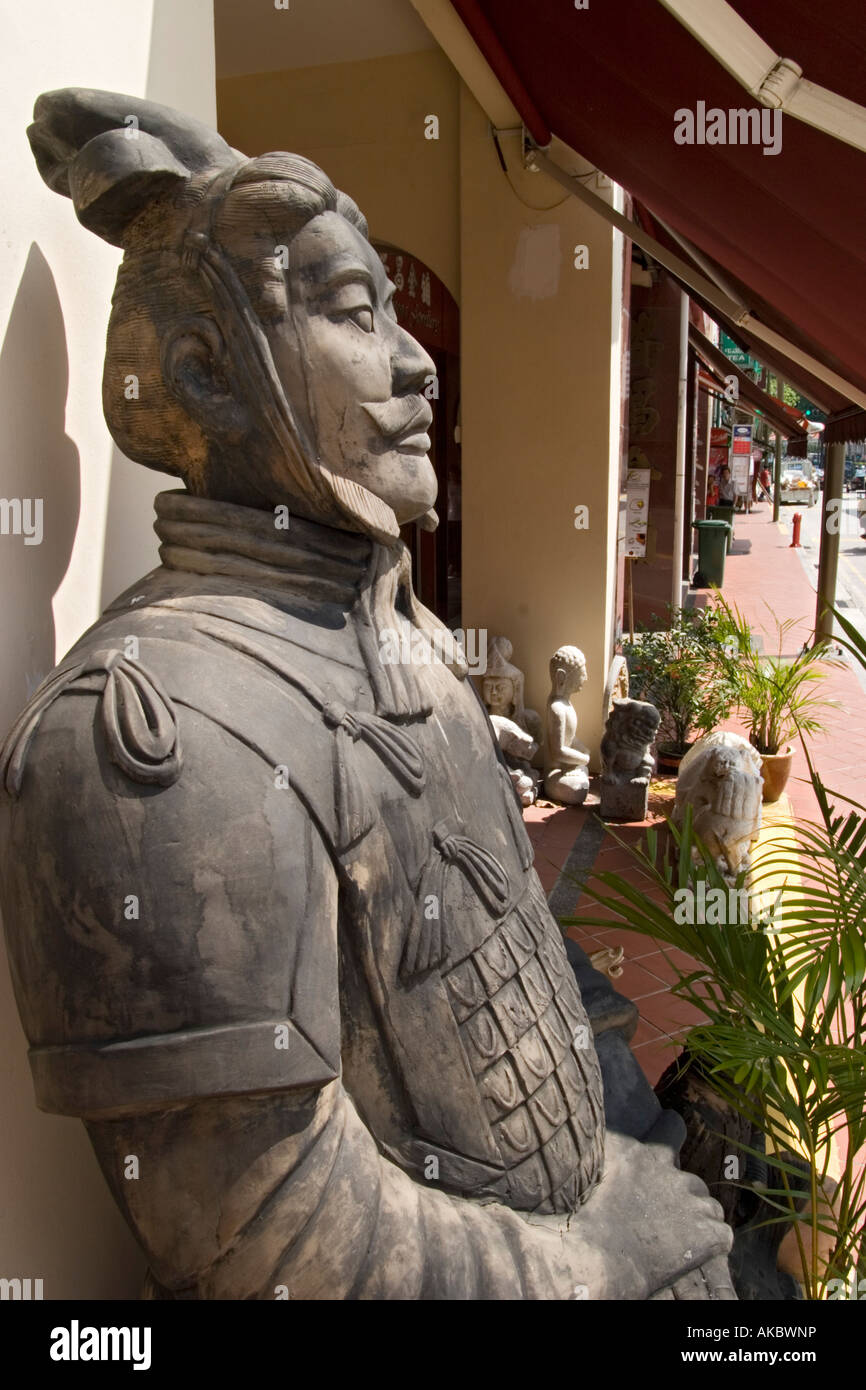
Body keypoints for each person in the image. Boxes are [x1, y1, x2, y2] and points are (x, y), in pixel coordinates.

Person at [0, 87, 733, 1302]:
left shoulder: (412, 645)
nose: (413, 363)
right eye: (353, 312)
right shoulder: (154, 736)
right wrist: (595, 1267)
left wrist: (624, 1163)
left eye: (397, 313)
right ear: (207, 375)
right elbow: (266, 1234)